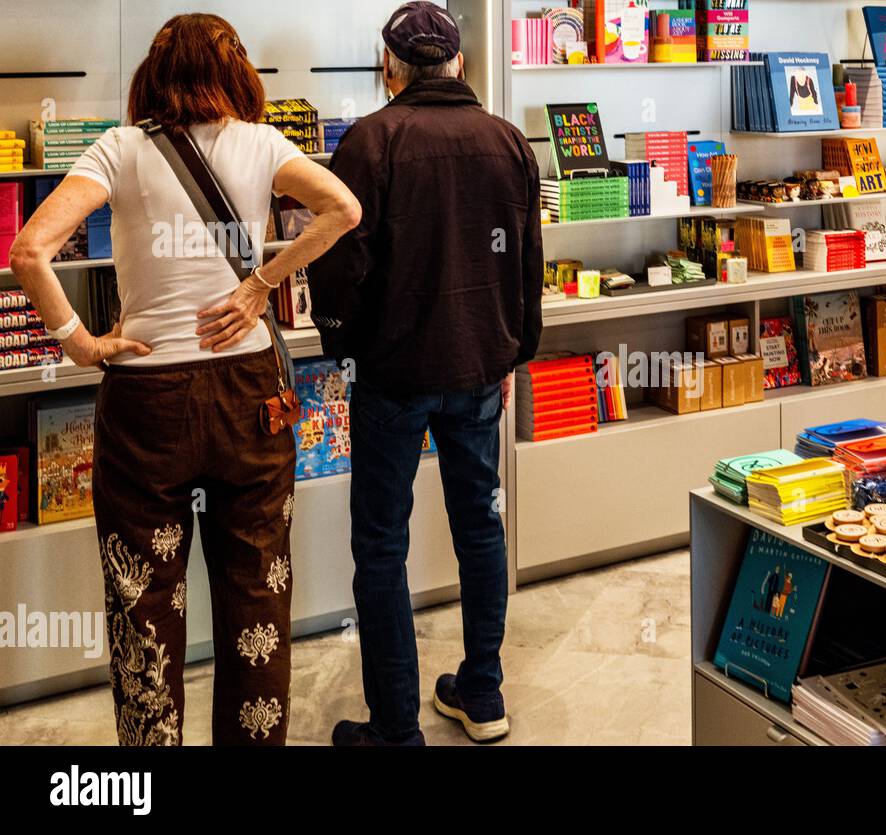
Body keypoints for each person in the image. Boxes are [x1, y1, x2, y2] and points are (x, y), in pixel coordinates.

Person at [8, 13, 360, 745]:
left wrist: (80, 342)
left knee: (144, 606)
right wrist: (262, 282)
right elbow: (344, 209)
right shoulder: (264, 144)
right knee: (258, 601)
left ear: (153, 73)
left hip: (146, 397)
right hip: (249, 395)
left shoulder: (120, 147)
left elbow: (30, 250)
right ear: (234, 70)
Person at [310, 2, 542, 746]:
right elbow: (526, 264)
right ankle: (483, 692)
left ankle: (394, 727)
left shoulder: (371, 142)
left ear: (391, 67)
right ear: (460, 65)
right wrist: (514, 351)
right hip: (480, 367)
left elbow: (339, 269)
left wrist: (343, 342)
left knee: (382, 542)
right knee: (482, 525)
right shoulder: (508, 140)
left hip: (392, 374)